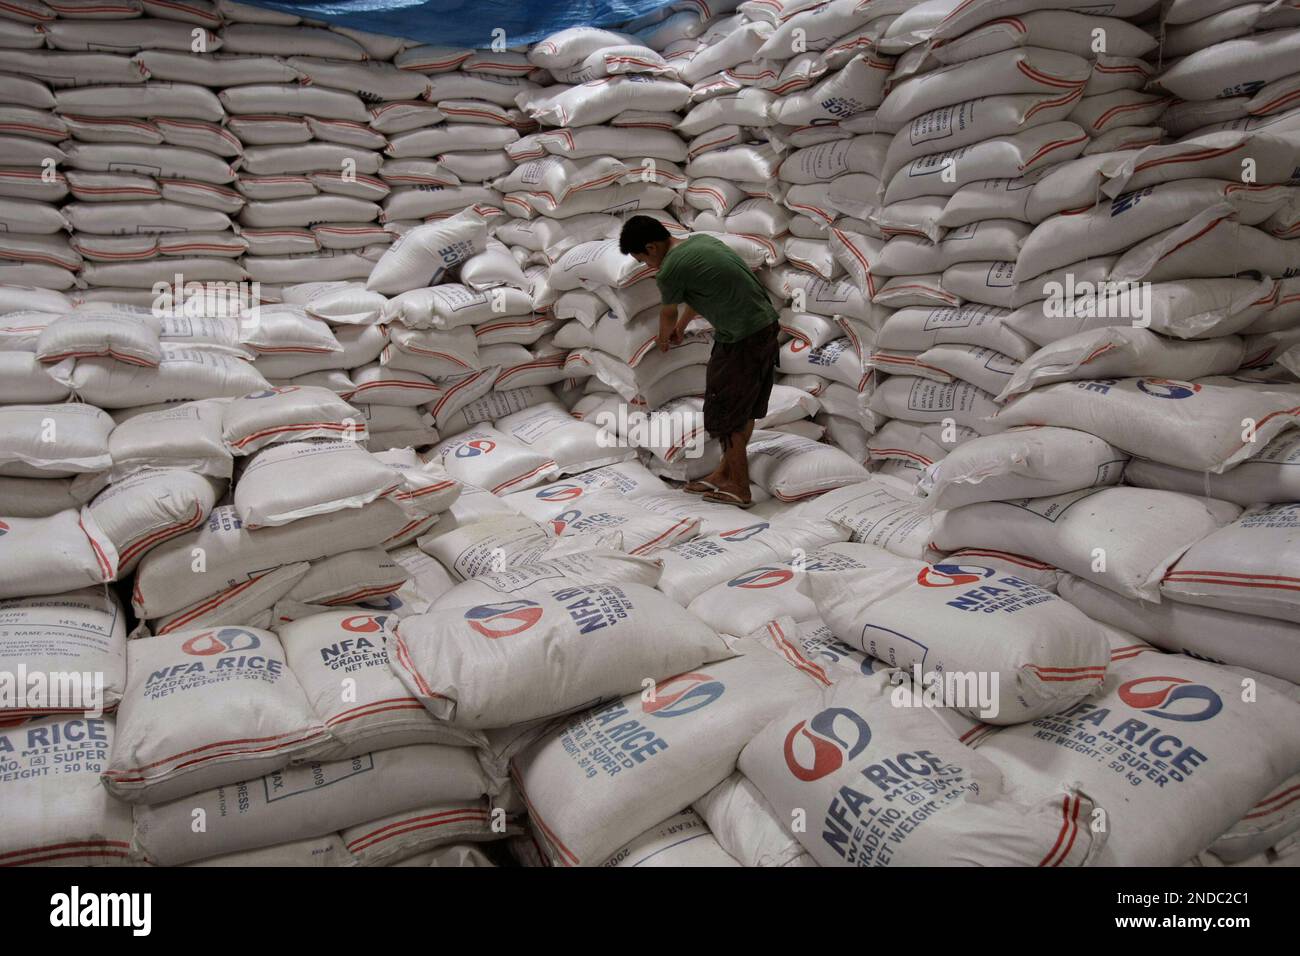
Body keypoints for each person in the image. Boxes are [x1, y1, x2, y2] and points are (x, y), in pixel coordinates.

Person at [619, 215, 780, 508]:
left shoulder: (669, 269)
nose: (646, 266)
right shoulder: (701, 243)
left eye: (642, 260)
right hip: (764, 328)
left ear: (652, 247)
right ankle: (724, 473)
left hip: (742, 338)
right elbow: (697, 295)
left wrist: (664, 339)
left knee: (724, 412)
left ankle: (740, 489)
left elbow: (666, 312)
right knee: (743, 409)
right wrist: (682, 327)